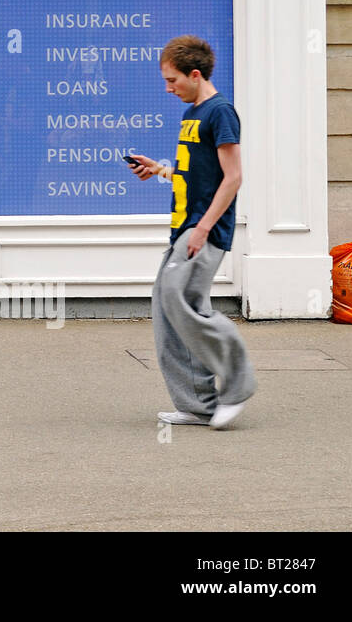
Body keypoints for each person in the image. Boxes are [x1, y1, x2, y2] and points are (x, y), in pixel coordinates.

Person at [127, 35, 254, 430]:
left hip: (202, 231)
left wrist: (202, 229)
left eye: (172, 80)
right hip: (183, 227)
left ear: (195, 75)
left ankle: (237, 384)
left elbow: (232, 179)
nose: (168, 88)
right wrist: (158, 169)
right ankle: (199, 405)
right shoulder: (192, 115)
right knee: (168, 313)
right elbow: (196, 175)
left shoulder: (221, 113)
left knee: (182, 303)